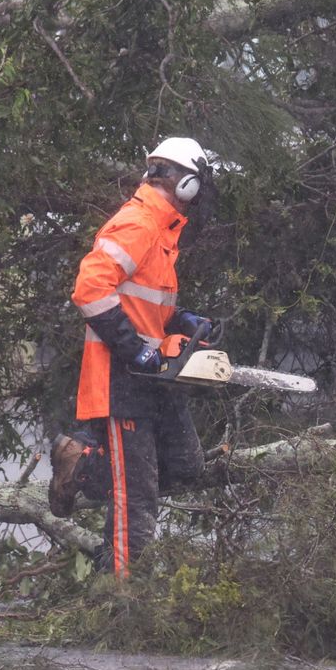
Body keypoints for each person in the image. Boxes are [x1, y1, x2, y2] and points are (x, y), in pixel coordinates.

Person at [47, 137, 219, 577]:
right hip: (121, 379)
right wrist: (134, 349)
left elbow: (140, 302)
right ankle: (122, 600)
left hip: (153, 375)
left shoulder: (163, 231)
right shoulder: (139, 223)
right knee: (136, 505)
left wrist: (180, 320)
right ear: (187, 184)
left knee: (185, 465)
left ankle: (91, 468)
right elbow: (89, 290)